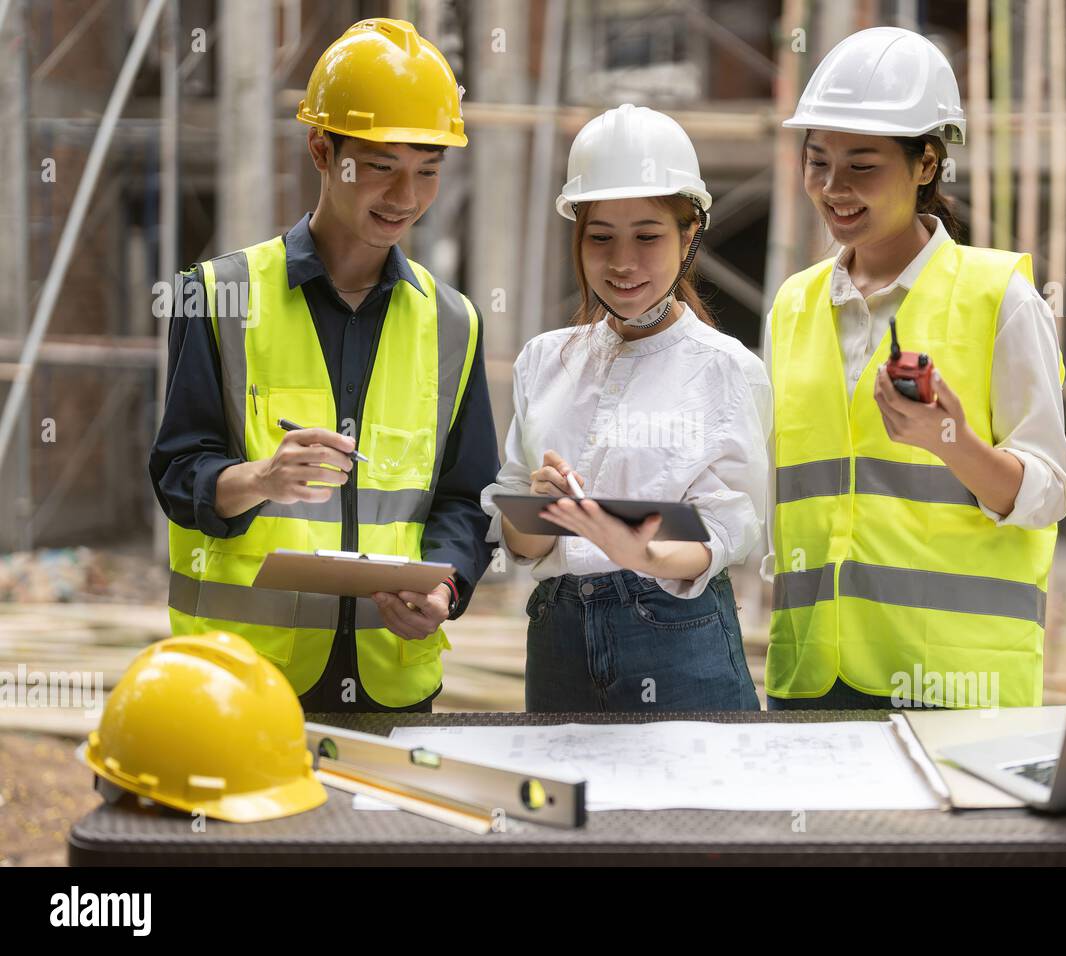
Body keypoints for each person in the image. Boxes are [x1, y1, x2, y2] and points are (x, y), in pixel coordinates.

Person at [150, 19, 498, 712]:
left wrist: (446, 585)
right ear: (321, 148)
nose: (405, 197)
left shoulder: (453, 322)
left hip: (391, 685)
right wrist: (261, 477)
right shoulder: (220, 295)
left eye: (427, 171)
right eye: (379, 167)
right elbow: (178, 473)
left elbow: (466, 499)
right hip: (242, 682)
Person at [762, 28, 1066, 710]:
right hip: (813, 674)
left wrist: (949, 443)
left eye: (862, 166)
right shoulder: (793, 305)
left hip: (956, 683)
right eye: (818, 163)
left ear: (927, 163)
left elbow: (1048, 493)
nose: (833, 189)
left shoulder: (1001, 298)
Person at [481, 104, 768, 712]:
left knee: (692, 806)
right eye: (601, 237)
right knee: (559, 805)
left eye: (648, 236)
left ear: (691, 236)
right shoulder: (543, 361)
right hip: (556, 639)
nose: (622, 262)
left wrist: (641, 553)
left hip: (675, 634)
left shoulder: (726, 369)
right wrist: (538, 507)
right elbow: (521, 543)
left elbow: (727, 531)